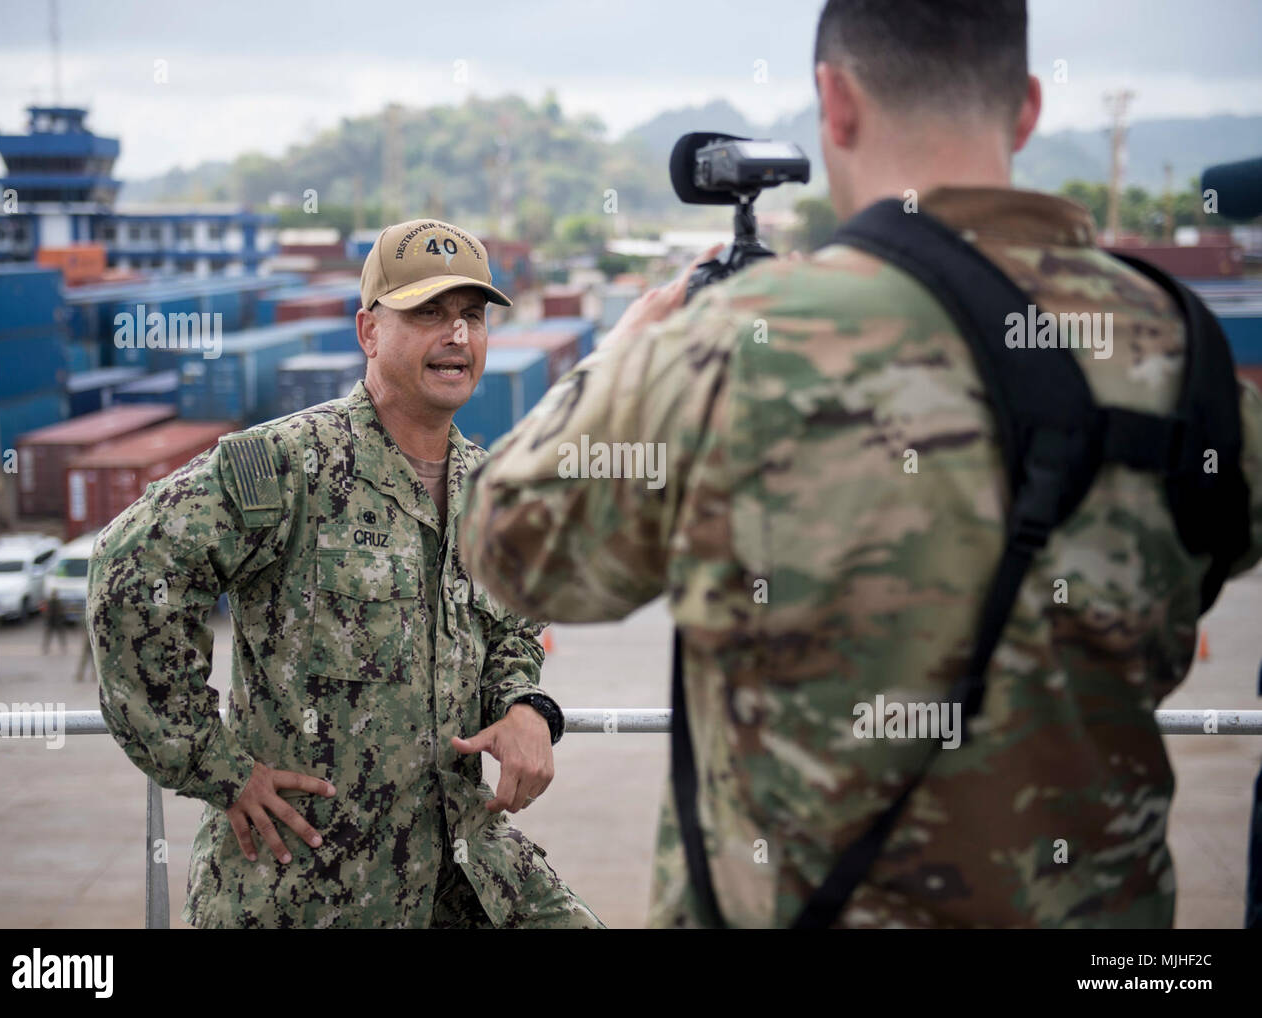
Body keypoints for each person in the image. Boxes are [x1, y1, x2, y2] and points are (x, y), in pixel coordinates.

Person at [461, 0, 1262, 928]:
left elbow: (508, 548)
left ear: (834, 104)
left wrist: (622, 356)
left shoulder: (733, 343)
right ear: (1029, 107)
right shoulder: (1183, 346)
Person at [88, 218, 601, 929]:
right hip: (307, 887)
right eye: (427, 313)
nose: (457, 335)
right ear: (369, 332)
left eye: (472, 316)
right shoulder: (287, 467)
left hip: (462, 868)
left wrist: (524, 705)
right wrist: (217, 767)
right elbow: (128, 572)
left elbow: (512, 623)